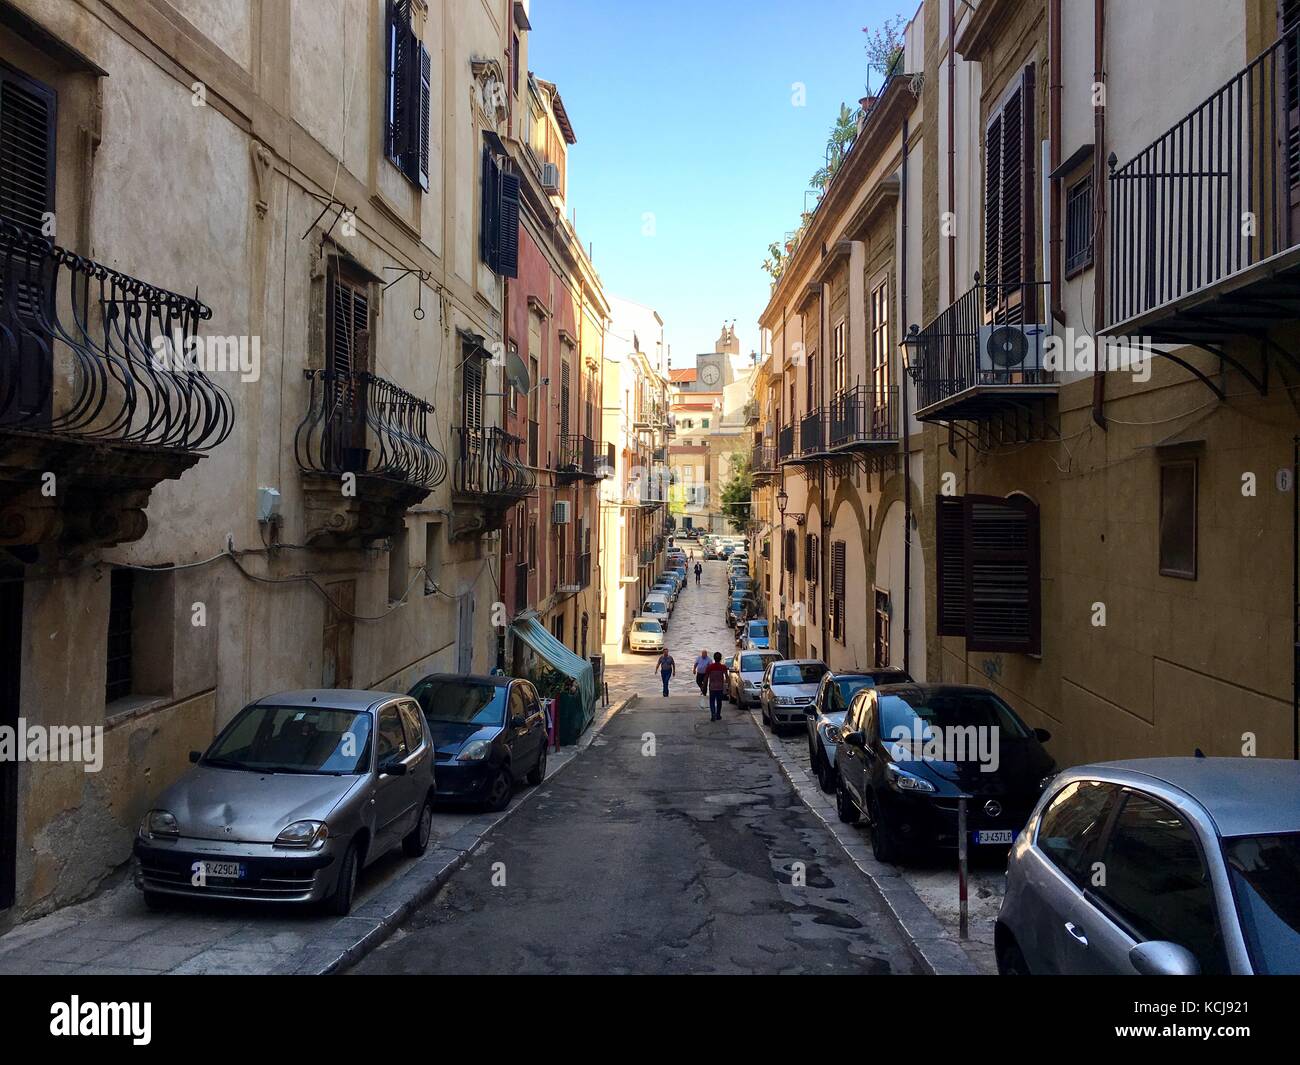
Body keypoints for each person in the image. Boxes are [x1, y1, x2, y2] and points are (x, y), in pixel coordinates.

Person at [704, 652, 728, 721]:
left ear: (714, 658)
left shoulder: (710, 667)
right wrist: (728, 686)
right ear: (720, 659)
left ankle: (713, 714)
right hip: (720, 687)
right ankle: (718, 715)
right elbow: (727, 677)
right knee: (719, 702)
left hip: (712, 687)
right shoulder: (723, 667)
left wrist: (704, 687)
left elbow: (706, 678)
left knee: (712, 701)